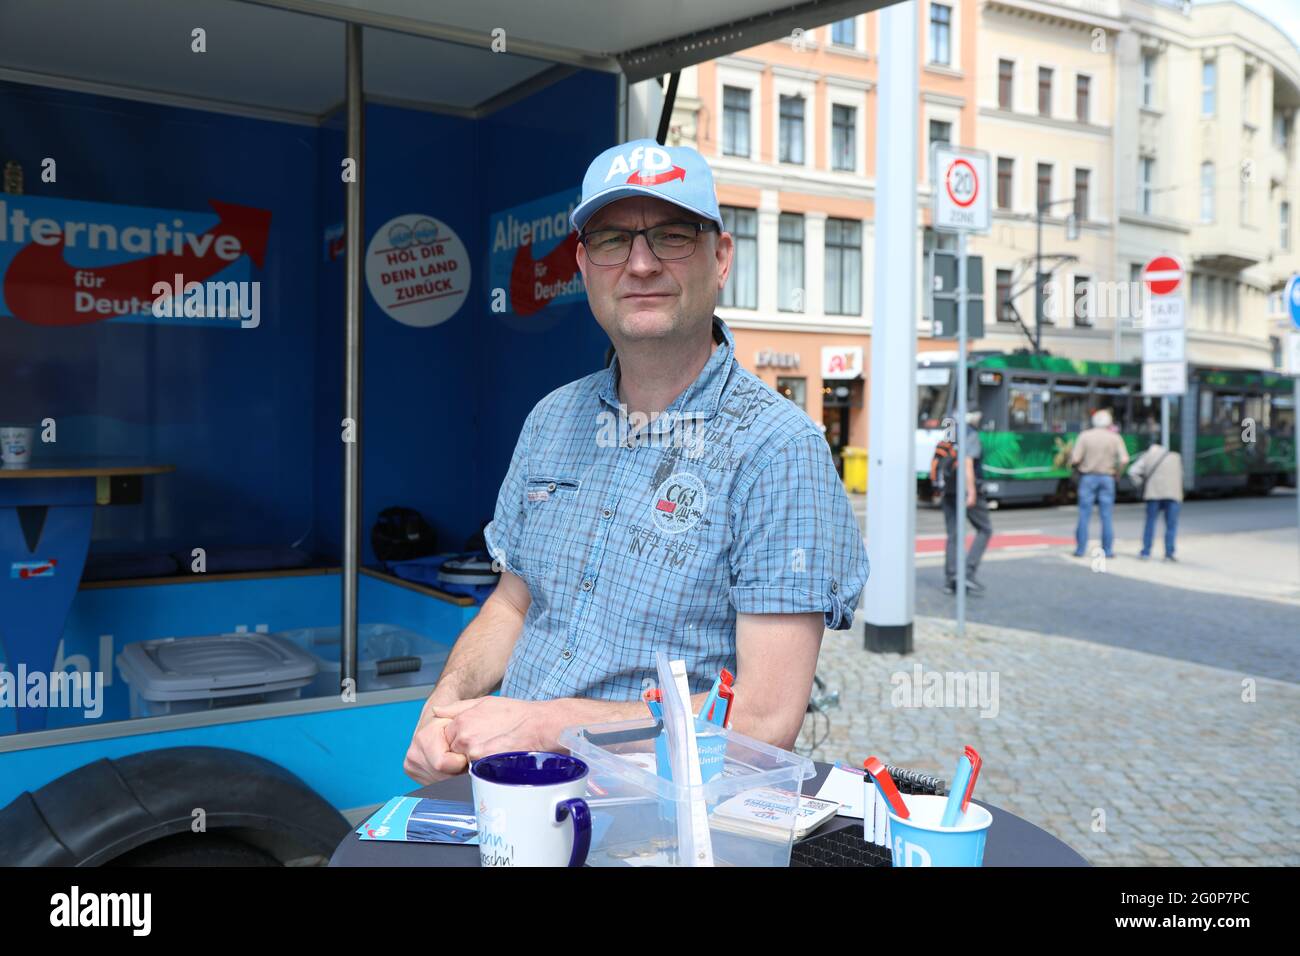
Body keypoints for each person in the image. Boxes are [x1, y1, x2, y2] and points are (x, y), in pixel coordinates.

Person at [404, 139, 870, 784]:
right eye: (612, 240)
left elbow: (764, 721)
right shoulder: (550, 419)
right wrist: (444, 705)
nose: (641, 264)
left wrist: (548, 726)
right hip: (509, 791)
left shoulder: (778, 450)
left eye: (672, 236)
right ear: (583, 264)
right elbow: (512, 604)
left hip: (656, 818)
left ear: (721, 257)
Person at [941, 411, 992, 594]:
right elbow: (967, 463)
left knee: (953, 535)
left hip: (948, 488)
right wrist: (971, 492)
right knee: (985, 529)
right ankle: (967, 573)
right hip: (963, 488)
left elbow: (944, 456)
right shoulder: (970, 433)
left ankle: (951, 579)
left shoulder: (950, 430)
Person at [1069, 408, 1130, 558]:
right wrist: (1118, 473)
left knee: (1084, 514)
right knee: (1106, 516)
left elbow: (1075, 459)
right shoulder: (1114, 437)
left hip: (1088, 477)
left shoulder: (1085, 436)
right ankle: (1107, 551)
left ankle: (1080, 550)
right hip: (1107, 478)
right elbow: (1124, 459)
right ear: (1109, 423)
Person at [1127, 442, 1183, 561]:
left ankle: (1146, 552)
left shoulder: (1147, 456)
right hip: (1173, 494)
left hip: (1153, 494)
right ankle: (1169, 554)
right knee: (1171, 525)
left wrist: (1139, 483)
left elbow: (1132, 471)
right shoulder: (1176, 457)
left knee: (1150, 523)